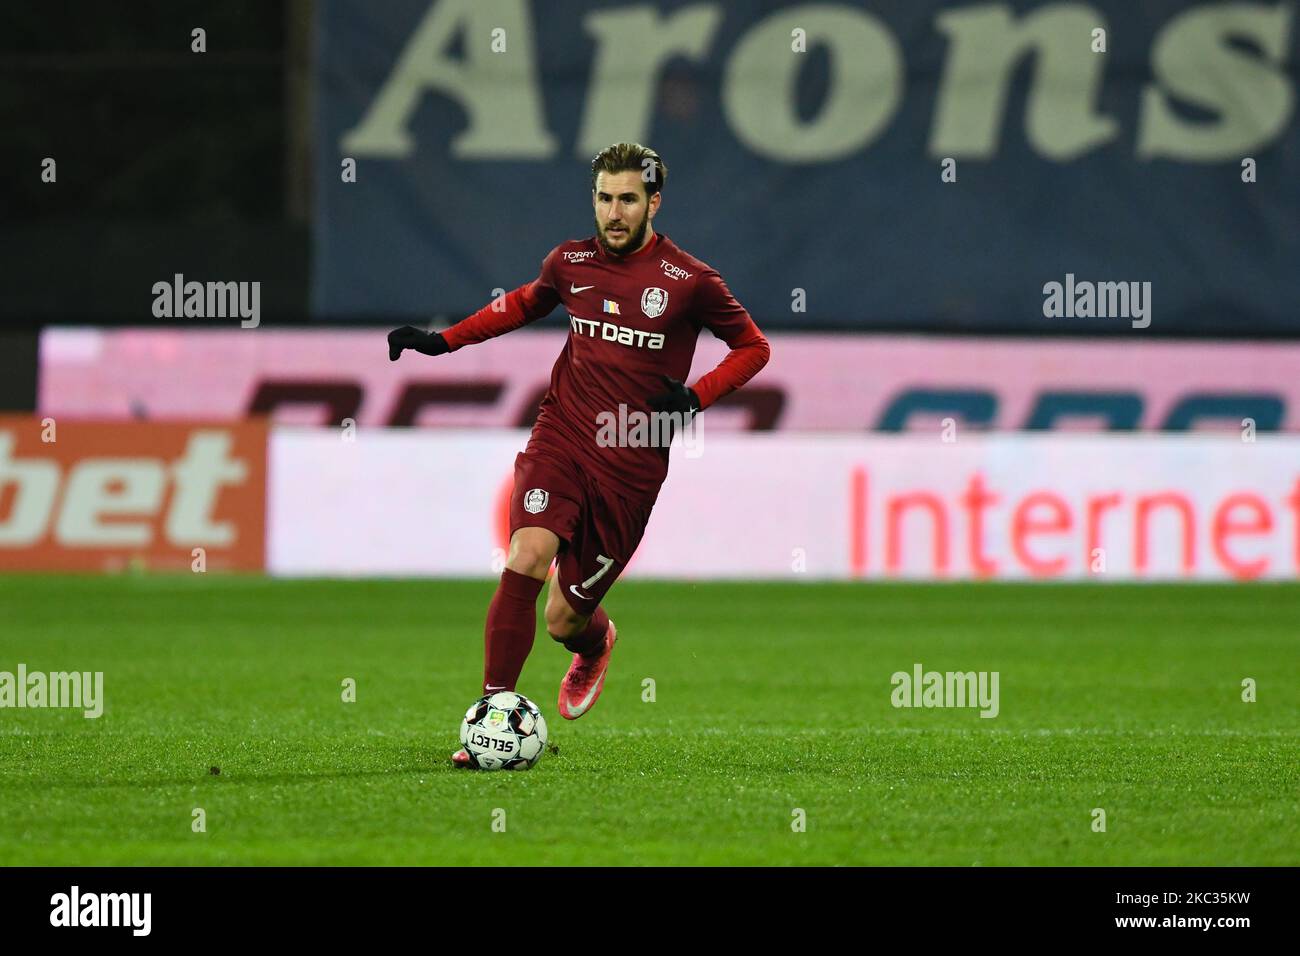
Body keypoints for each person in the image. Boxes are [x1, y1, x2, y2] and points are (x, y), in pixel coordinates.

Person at [388, 142, 771, 766]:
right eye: (603, 198)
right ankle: (492, 717)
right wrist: (442, 342)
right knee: (525, 554)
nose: (613, 212)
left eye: (627, 199)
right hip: (561, 435)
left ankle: (594, 645)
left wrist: (696, 397)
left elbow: (753, 348)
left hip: (631, 461)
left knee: (564, 619)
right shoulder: (570, 263)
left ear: (653, 202)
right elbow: (519, 304)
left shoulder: (690, 281)